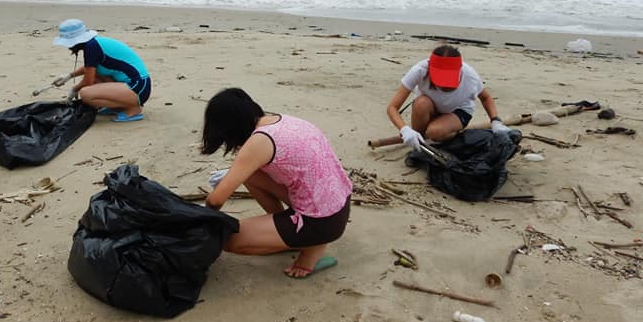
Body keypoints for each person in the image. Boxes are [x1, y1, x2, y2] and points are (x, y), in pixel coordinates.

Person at [201, 88, 352, 278]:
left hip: (322, 222)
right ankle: (285, 232)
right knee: (250, 173)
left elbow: (215, 201)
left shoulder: (258, 142)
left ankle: (310, 247)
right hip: (339, 205)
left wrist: (197, 218)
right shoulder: (281, 121)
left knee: (228, 240)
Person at [386, 44, 509, 150]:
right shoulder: (420, 70)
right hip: (430, 108)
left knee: (435, 132)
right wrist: (405, 130)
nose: (444, 86)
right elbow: (392, 107)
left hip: (457, 111)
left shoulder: (470, 76)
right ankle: (419, 139)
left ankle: (448, 133)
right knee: (421, 103)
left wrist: (495, 121)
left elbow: (486, 98)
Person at [51, 19, 151, 122]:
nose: (68, 47)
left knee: (86, 94)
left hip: (138, 87)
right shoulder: (94, 43)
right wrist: (70, 76)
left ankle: (133, 109)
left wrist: (74, 90)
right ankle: (117, 106)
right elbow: (90, 69)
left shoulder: (91, 47)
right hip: (136, 85)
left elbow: (87, 81)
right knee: (96, 76)